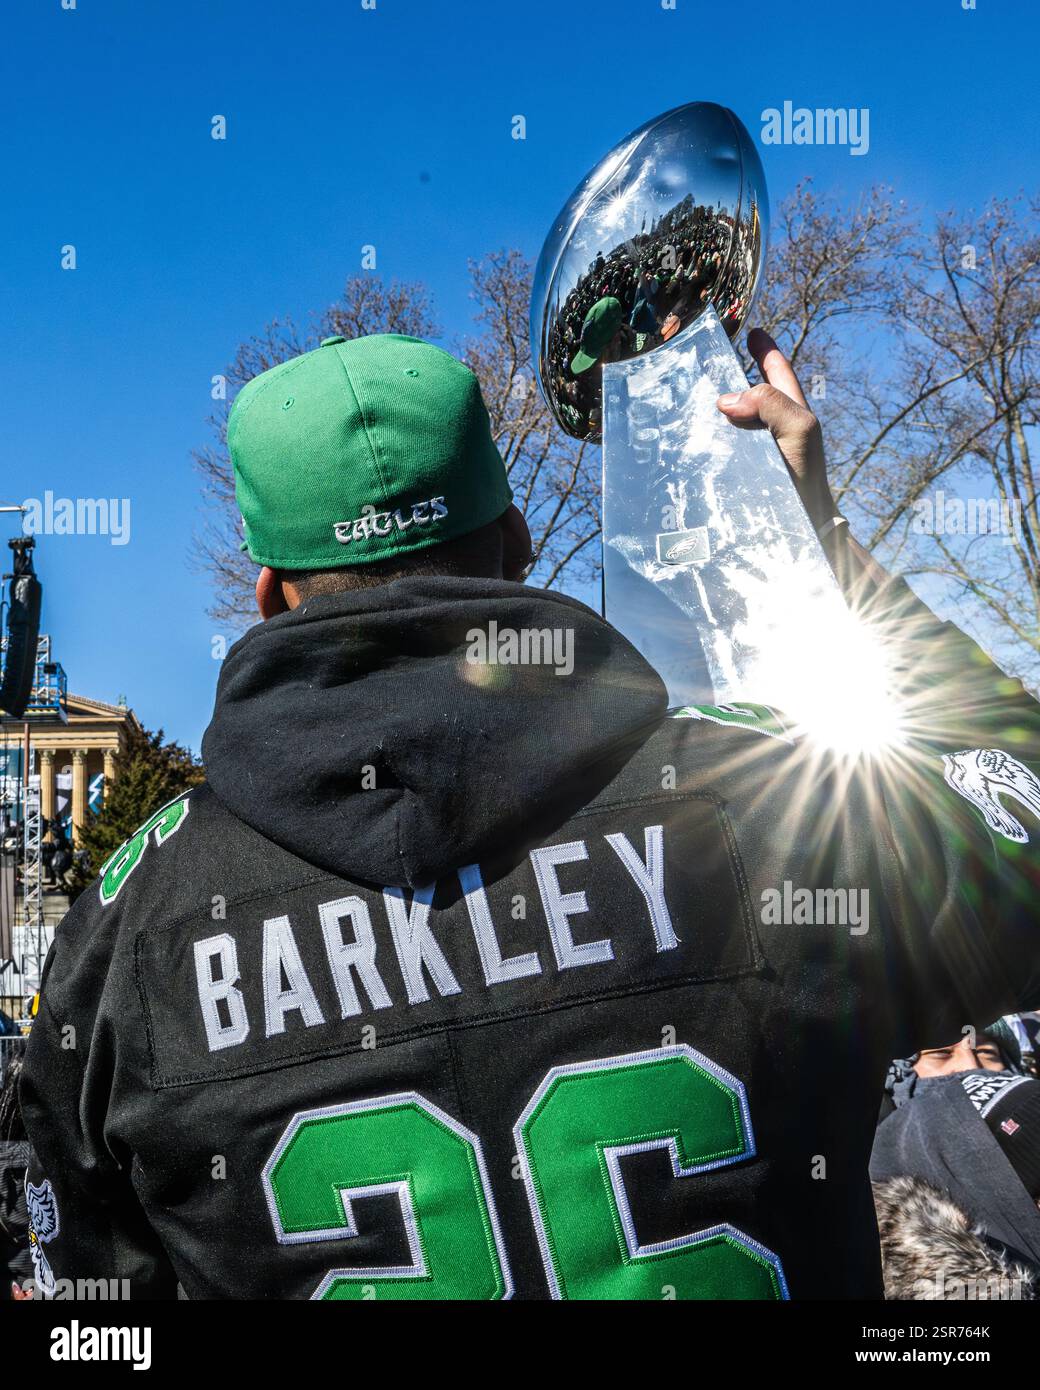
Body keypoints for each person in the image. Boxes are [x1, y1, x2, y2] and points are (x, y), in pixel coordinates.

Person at [19, 330, 1040, 1300]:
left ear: (269, 592)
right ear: (511, 539)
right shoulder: (771, 801)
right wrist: (817, 537)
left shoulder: (124, 934)